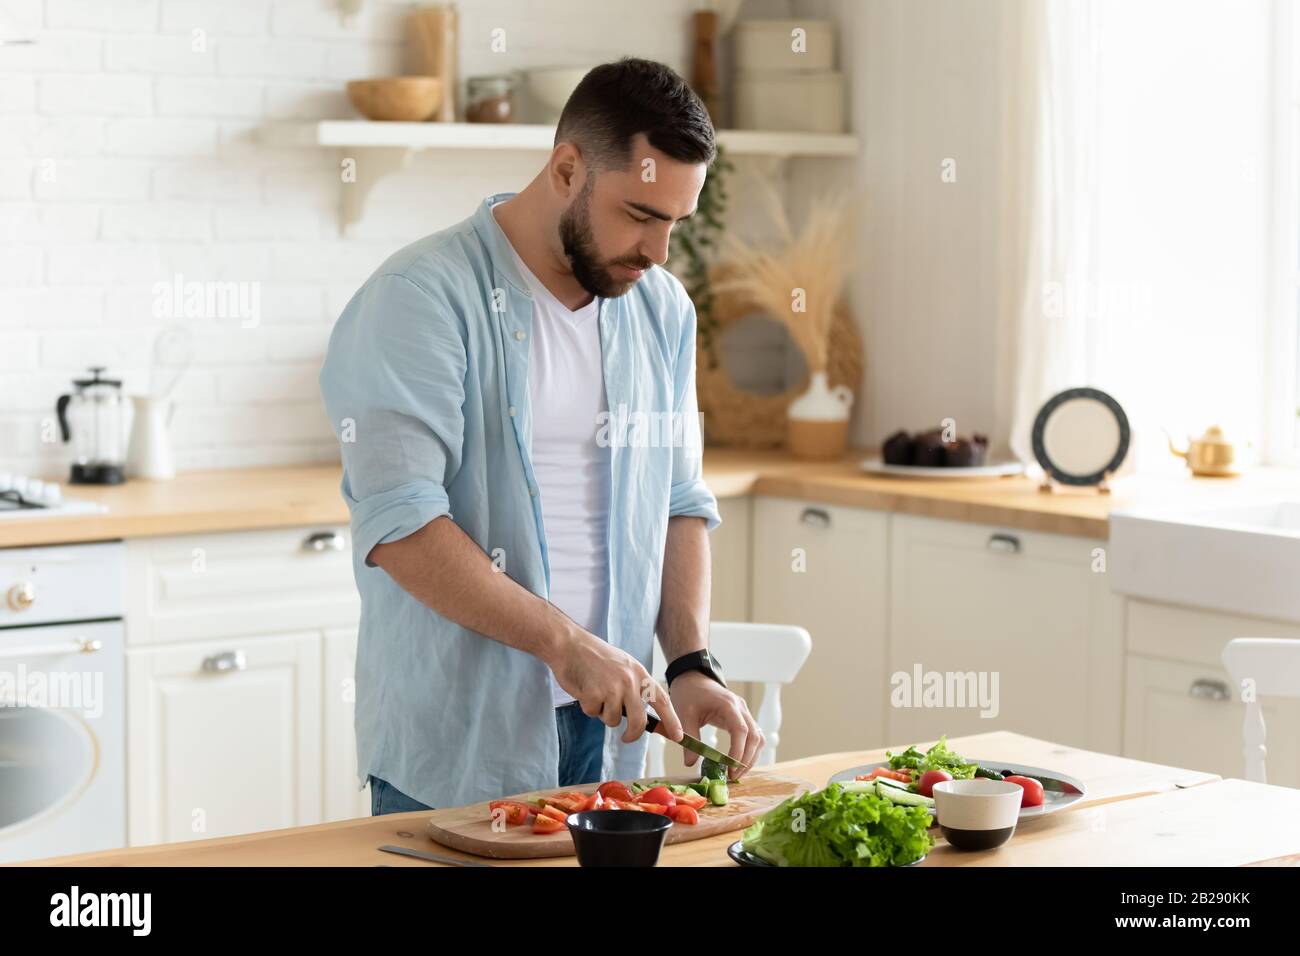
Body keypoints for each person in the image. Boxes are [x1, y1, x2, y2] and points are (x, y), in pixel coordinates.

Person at [319, 58, 763, 815]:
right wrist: (567, 645)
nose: (659, 253)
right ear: (567, 169)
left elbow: (679, 501)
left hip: (611, 729)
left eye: (675, 224)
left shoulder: (660, 309)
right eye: (640, 215)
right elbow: (401, 526)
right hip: (459, 738)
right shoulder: (421, 297)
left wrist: (689, 659)